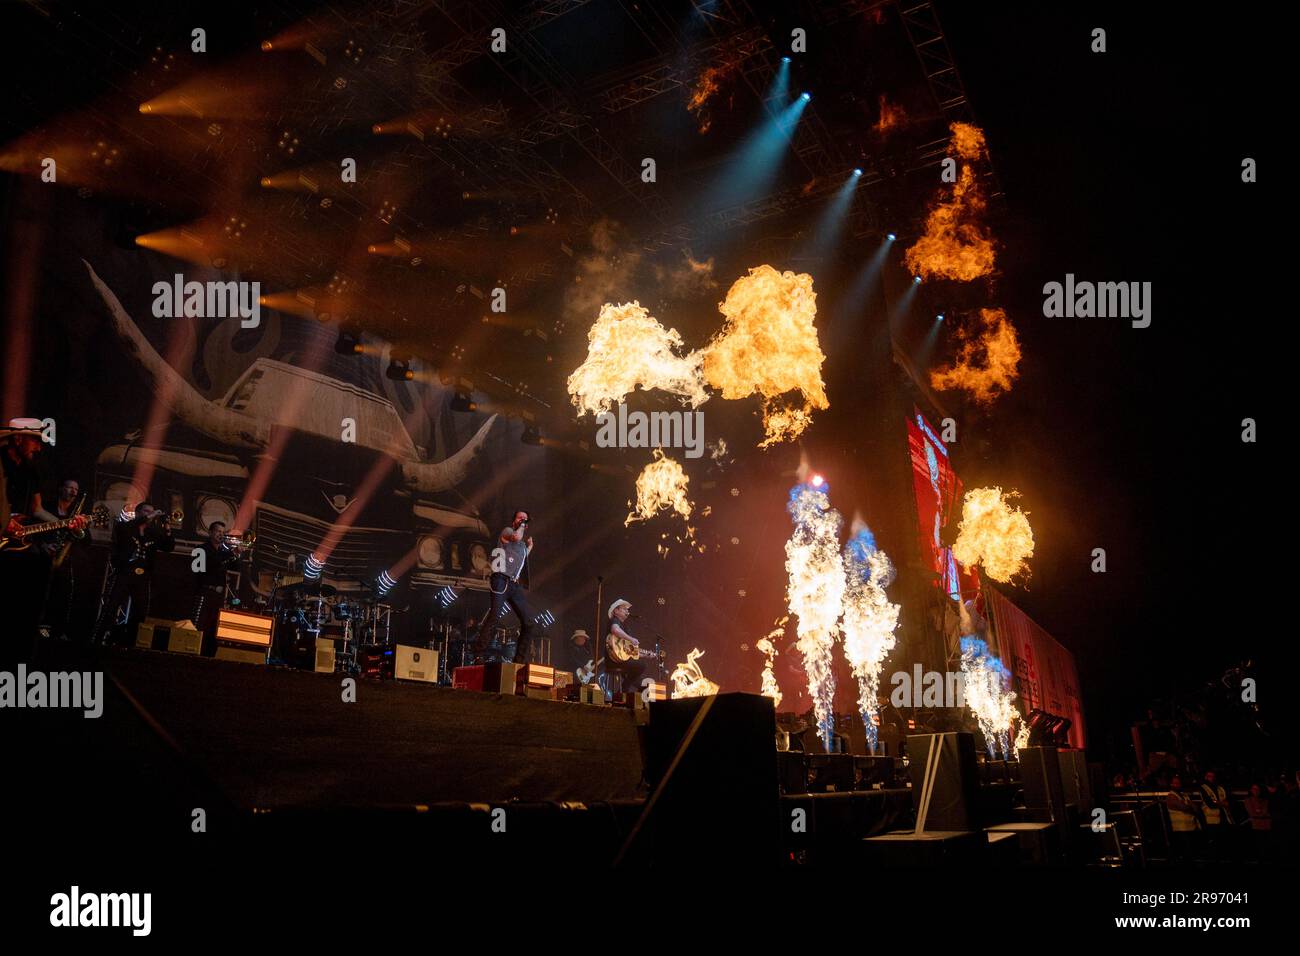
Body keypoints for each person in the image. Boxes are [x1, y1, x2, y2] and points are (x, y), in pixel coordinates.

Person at [1, 418, 86, 665]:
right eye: (35, 441)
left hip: (18, 546)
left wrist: (66, 523)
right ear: (18, 439)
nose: (39, 448)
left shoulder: (30, 471)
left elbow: (36, 509)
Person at [92, 501, 175, 647]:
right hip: (125, 572)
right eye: (146, 511)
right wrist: (152, 515)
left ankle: (127, 643)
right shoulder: (125, 527)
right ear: (137, 513)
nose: (149, 514)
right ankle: (97, 640)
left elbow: (169, 546)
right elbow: (120, 542)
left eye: (151, 511)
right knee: (111, 607)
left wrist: (167, 526)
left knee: (140, 612)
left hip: (143, 576)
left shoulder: (153, 533)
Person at [472, 510, 537, 664]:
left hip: (514, 584)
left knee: (529, 623)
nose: (523, 520)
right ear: (514, 521)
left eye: (525, 519)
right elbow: (515, 538)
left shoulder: (521, 544)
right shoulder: (508, 531)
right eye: (520, 518)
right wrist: (521, 527)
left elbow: (520, 559)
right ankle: (478, 653)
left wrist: (529, 548)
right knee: (494, 616)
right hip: (500, 579)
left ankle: (518, 660)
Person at [40, 478, 91, 642]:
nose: (74, 491)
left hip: (64, 559)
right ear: (61, 488)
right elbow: (31, 528)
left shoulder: (77, 514)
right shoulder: (46, 507)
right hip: (42, 554)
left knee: (62, 595)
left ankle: (56, 630)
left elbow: (86, 540)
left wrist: (79, 530)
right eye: (70, 487)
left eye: (76, 489)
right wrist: (43, 545)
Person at [191, 520, 242, 655]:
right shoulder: (200, 550)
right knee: (199, 624)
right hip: (204, 592)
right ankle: (193, 652)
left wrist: (237, 554)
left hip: (218, 596)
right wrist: (230, 554)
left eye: (223, 532)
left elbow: (236, 568)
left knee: (214, 628)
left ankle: (209, 656)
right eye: (218, 531)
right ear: (210, 533)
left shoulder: (224, 553)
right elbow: (200, 570)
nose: (221, 535)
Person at [604, 598, 649, 696]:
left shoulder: (625, 627)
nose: (627, 611)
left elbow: (629, 651)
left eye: (627, 609)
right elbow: (615, 630)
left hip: (621, 660)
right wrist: (631, 639)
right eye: (624, 609)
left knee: (641, 680)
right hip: (613, 661)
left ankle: (630, 695)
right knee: (641, 666)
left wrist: (645, 654)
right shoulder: (614, 621)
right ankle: (623, 691)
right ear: (616, 611)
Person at [1164, 773, 1202, 863]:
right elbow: (1184, 807)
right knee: (1186, 853)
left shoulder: (1183, 795)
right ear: (1171, 784)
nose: (1178, 785)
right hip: (1180, 829)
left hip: (1190, 827)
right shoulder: (1171, 796)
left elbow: (1196, 808)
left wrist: (1189, 805)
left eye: (1179, 783)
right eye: (1175, 783)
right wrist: (1189, 805)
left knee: (1191, 852)